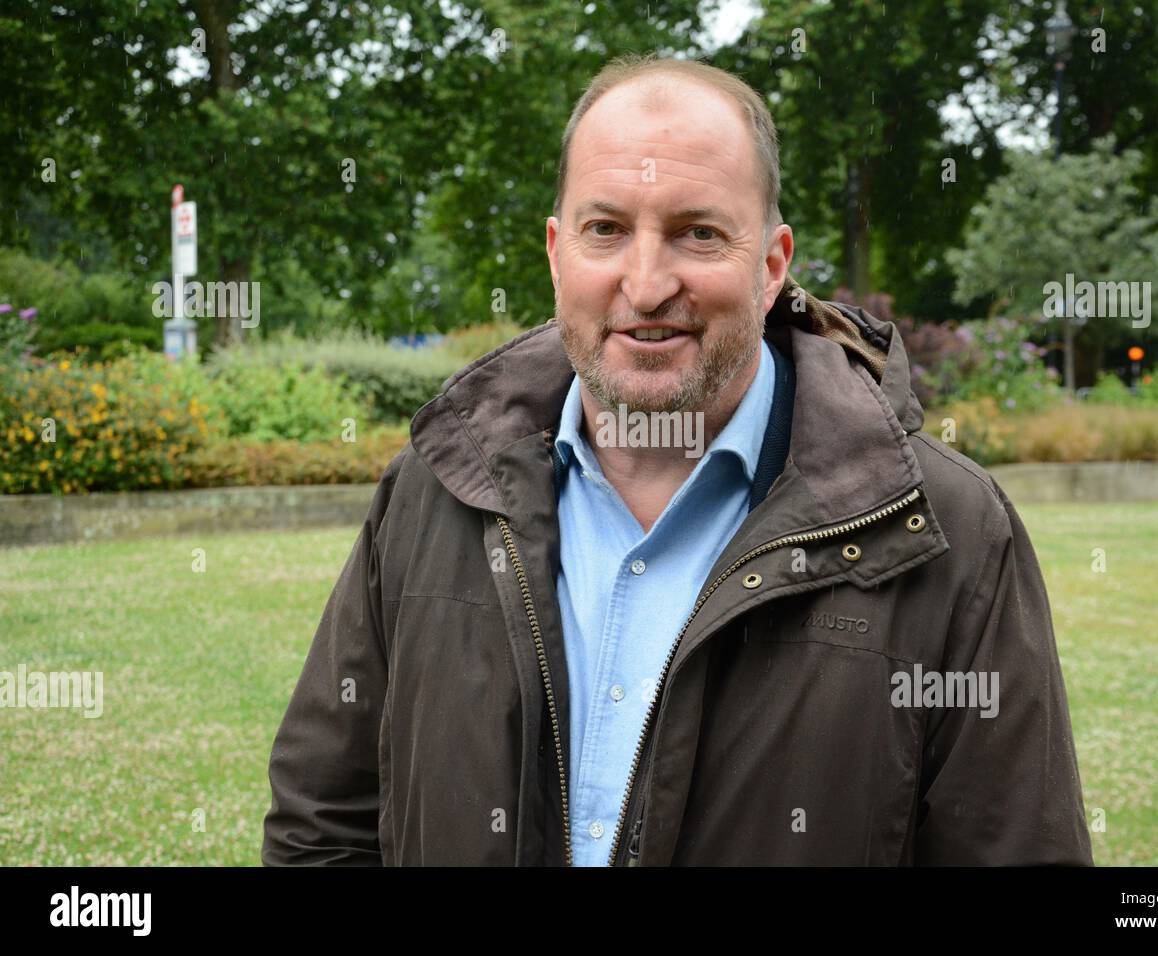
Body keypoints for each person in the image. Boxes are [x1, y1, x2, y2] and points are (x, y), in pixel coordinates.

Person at [261, 53, 1093, 866]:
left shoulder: (946, 530)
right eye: (606, 230)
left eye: (698, 233)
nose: (648, 283)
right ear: (557, 254)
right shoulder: (433, 490)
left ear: (772, 266)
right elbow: (321, 826)